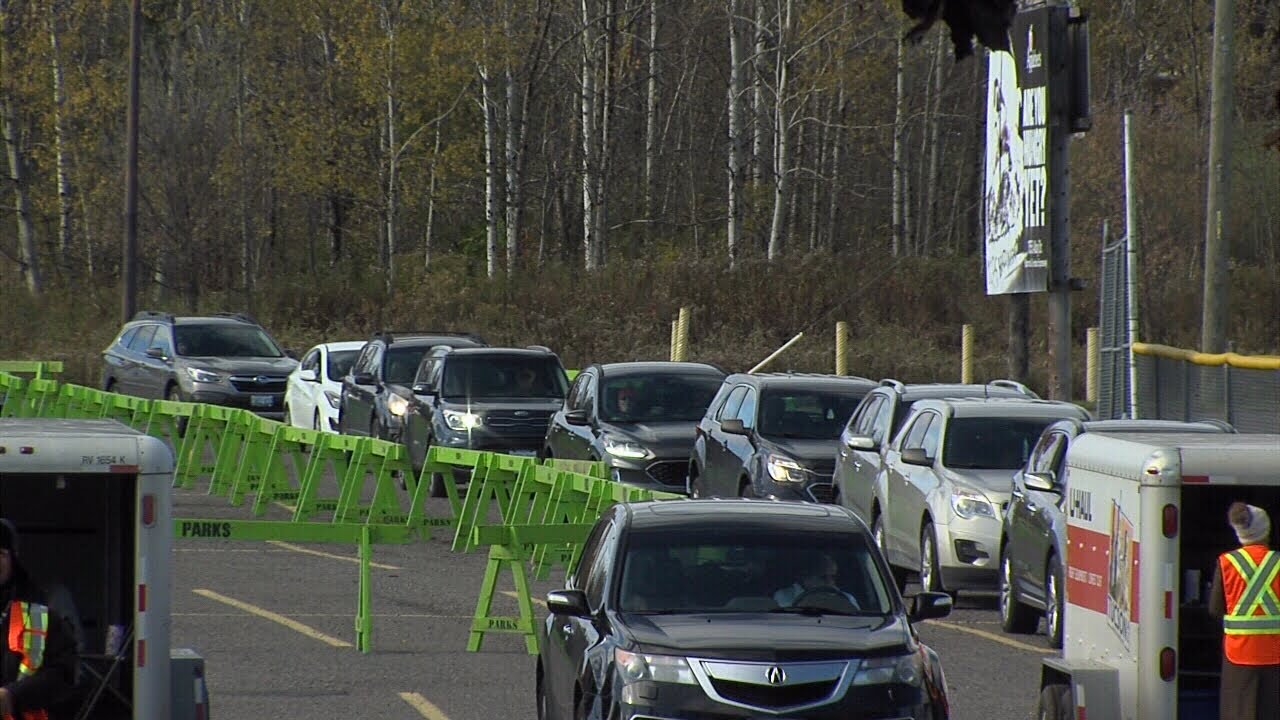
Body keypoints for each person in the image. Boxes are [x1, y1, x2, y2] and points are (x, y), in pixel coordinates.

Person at [0, 519, 79, 720]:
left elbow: (64, 674)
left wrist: (14, 695)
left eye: (1, 553)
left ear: (13, 561)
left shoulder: (40, 613)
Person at [1208, 502, 1279, 720]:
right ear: (1266, 530)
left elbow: (1215, 609)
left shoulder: (1226, 563)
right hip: (1276, 655)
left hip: (1238, 654)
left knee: (1238, 712)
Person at [773, 553, 860, 609]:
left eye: (833, 577)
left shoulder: (847, 599)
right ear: (806, 577)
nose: (830, 582)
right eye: (823, 577)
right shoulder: (784, 597)